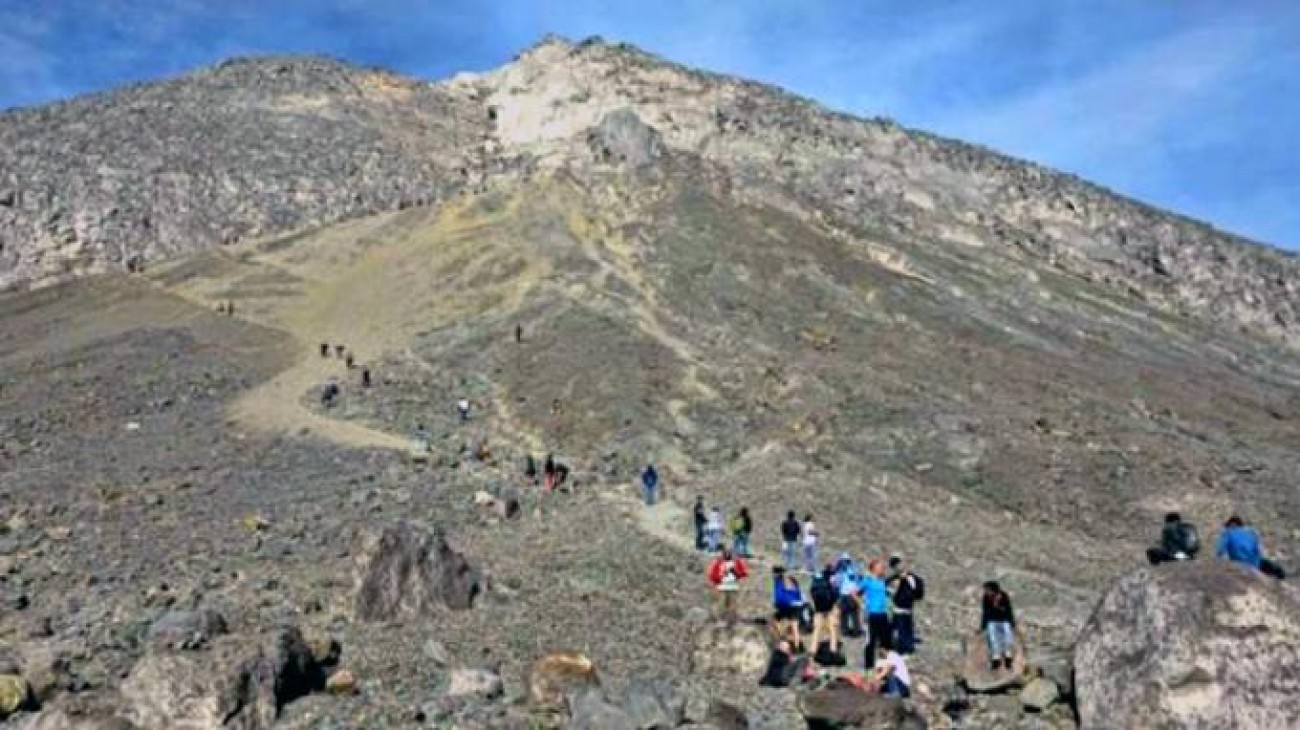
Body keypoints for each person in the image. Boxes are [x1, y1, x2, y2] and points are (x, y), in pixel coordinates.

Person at [1216, 516, 1286, 579]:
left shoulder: (1228, 533)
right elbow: (1259, 550)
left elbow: (1220, 551)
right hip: (1256, 562)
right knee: (1269, 566)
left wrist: (1219, 562)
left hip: (1241, 563)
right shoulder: (1251, 532)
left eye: (1228, 526)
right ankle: (1278, 575)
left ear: (1232, 525)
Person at [888, 554, 923, 654]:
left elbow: (918, 593)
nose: (898, 567)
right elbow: (887, 589)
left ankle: (908, 647)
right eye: (895, 566)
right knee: (900, 629)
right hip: (897, 609)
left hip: (908, 609)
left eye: (899, 564)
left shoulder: (914, 579)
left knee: (907, 628)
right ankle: (902, 648)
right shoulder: (894, 579)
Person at [861, 560, 893, 666]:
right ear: (874, 569)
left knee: (886, 638)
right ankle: (868, 665)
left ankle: (885, 662)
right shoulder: (867, 581)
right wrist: (862, 605)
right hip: (872, 614)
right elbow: (854, 593)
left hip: (883, 613)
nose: (883, 569)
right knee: (871, 640)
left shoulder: (882, 581)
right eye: (881, 567)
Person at [981, 581, 1017, 672]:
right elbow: (985, 612)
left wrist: (1012, 622)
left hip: (1004, 620)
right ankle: (995, 660)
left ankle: (1008, 659)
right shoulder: (986, 598)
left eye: (988, 589)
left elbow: (1008, 609)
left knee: (1007, 639)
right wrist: (983, 625)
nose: (986, 591)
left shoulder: (1003, 596)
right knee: (993, 640)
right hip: (992, 621)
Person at [809, 565, 842, 662]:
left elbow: (812, 591)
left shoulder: (817, 579)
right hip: (830, 608)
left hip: (818, 609)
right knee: (833, 630)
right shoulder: (833, 578)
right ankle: (833, 650)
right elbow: (836, 593)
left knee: (816, 630)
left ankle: (813, 650)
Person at [707, 548, 749, 622]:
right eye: (726, 553)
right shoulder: (719, 562)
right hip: (722, 586)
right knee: (722, 603)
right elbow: (712, 574)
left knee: (732, 603)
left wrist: (734, 572)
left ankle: (731, 619)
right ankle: (720, 619)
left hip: (733, 586)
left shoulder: (737, 562)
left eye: (730, 553)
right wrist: (719, 578)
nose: (728, 555)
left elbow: (743, 574)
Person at [772, 567, 805, 649]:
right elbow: (801, 598)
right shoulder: (782, 582)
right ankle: (789, 642)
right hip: (789, 607)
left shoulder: (781, 582)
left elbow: (800, 599)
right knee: (794, 628)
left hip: (789, 607)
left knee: (794, 628)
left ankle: (786, 640)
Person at [834, 555, 864, 638]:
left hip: (848, 594)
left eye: (845, 561)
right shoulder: (851, 570)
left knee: (850, 613)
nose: (844, 562)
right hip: (847, 594)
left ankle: (851, 631)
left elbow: (837, 583)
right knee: (848, 613)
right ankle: (852, 631)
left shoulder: (847, 570)